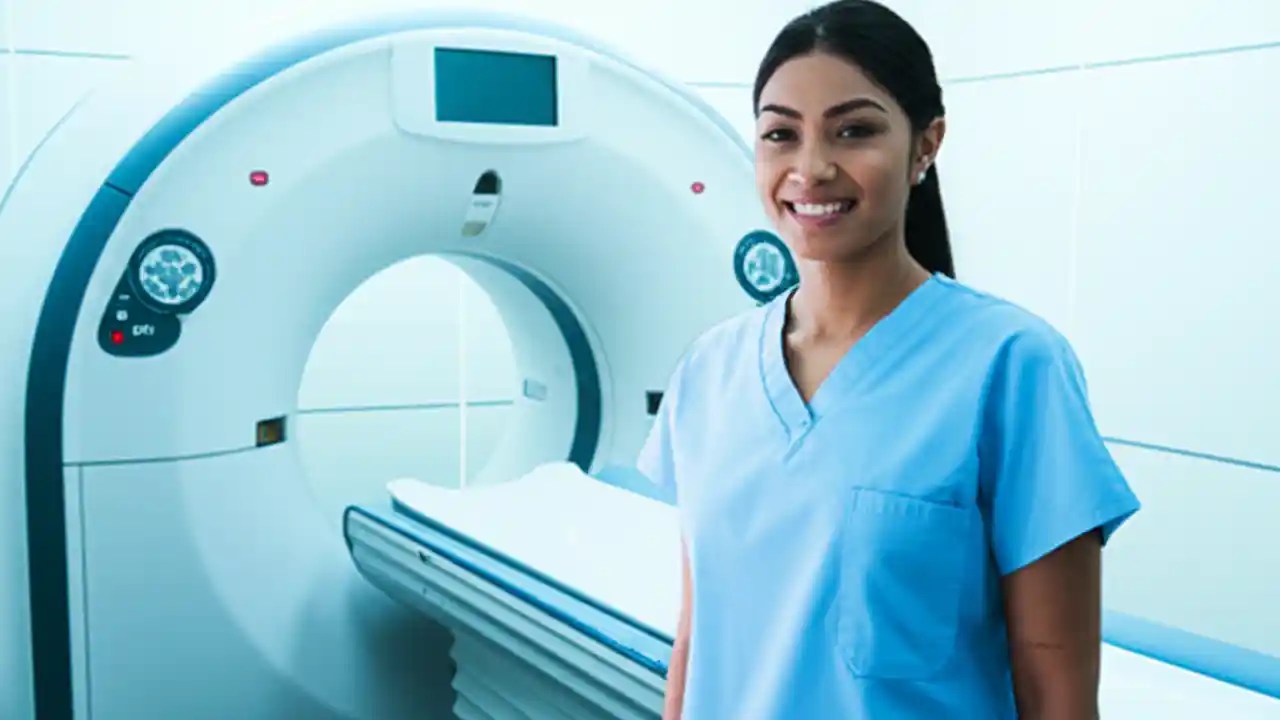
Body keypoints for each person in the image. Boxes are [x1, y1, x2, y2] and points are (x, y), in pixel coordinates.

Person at [636, 1, 1142, 718]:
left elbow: (1056, 691)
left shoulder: (1011, 367)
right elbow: (698, 643)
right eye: (781, 134)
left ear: (925, 146)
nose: (811, 168)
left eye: (854, 131)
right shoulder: (709, 372)